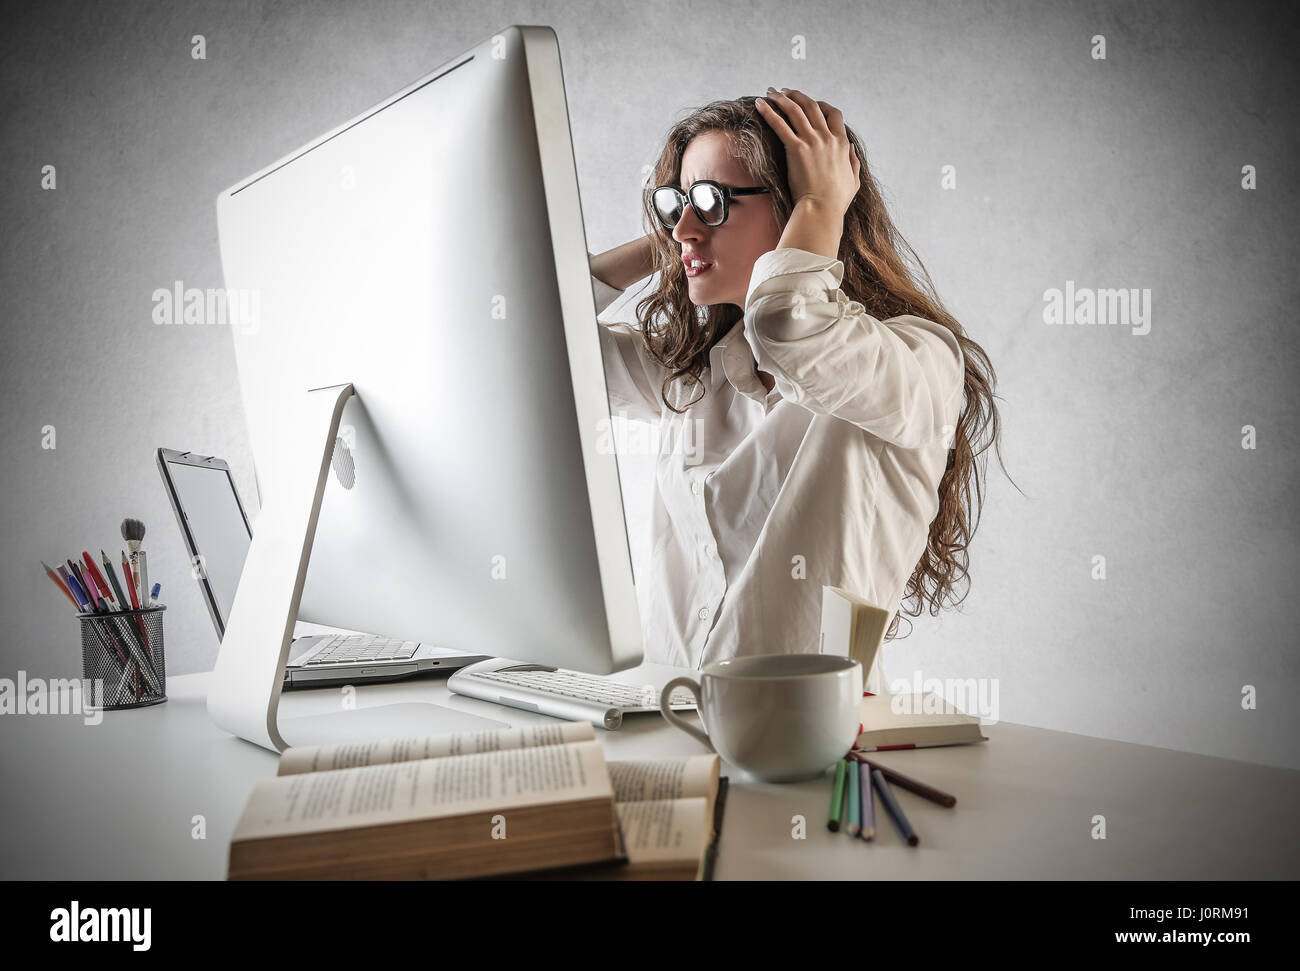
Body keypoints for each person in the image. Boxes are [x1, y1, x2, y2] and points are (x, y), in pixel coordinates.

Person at [589, 87, 1009, 692]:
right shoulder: (696, 372)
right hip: (668, 724)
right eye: (675, 202)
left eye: (712, 202)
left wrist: (821, 202)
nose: (685, 225)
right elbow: (532, 344)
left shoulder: (917, 358)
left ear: (798, 209)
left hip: (808, 743)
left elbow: (789, 324)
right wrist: (671, 242)